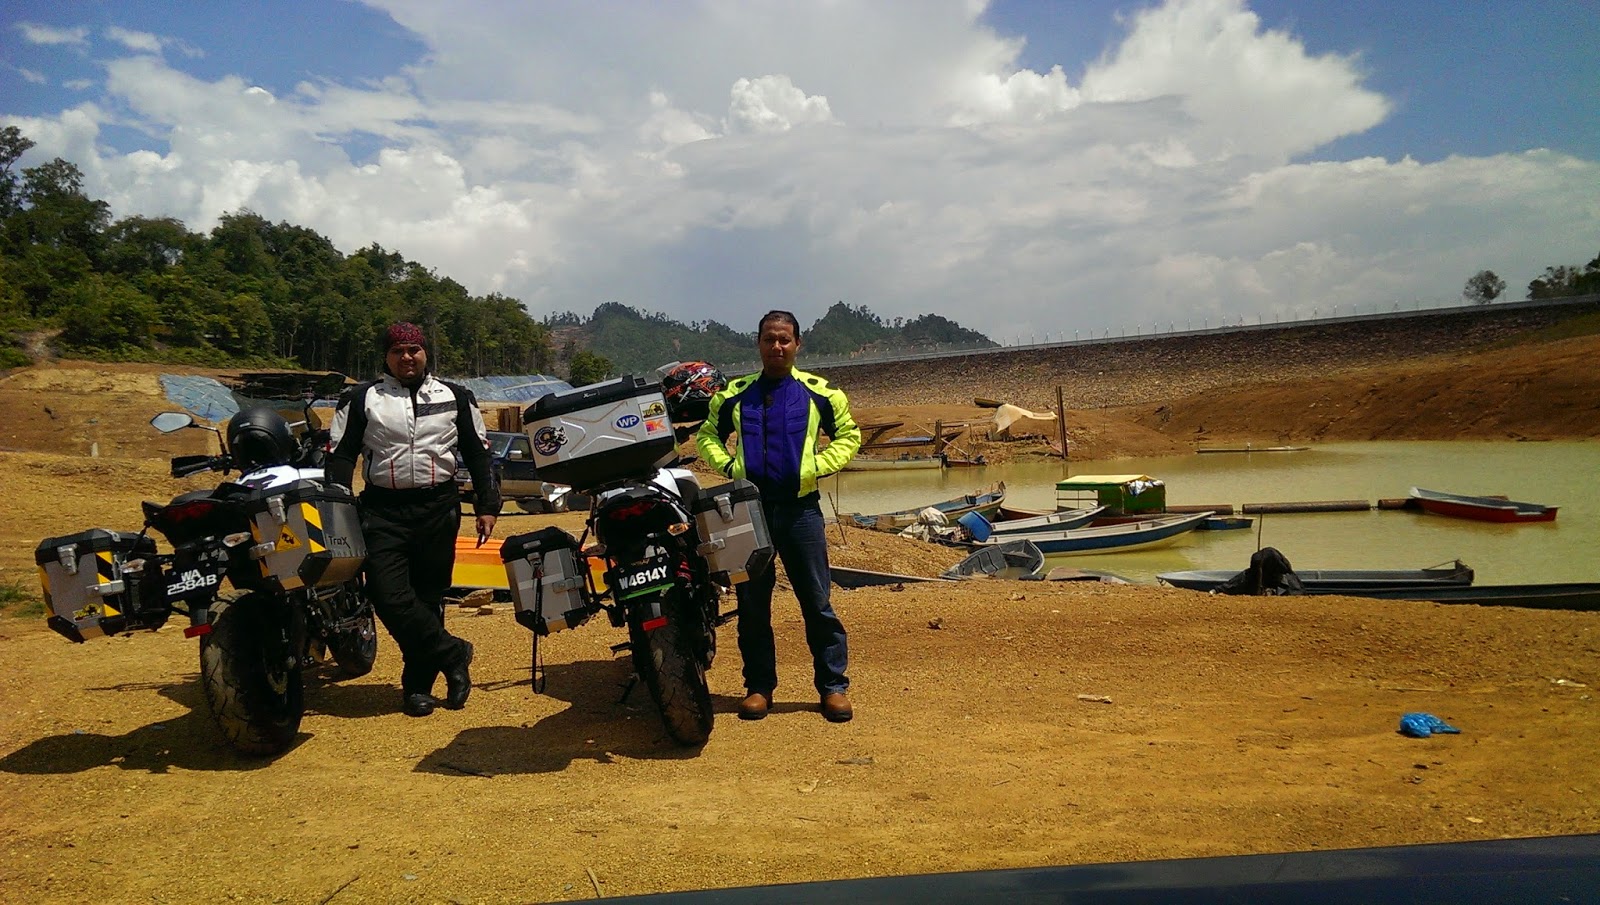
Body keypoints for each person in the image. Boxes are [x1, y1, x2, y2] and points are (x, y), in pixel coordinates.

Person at [327, 322, 500, 717]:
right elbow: (341, 456)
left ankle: (417, 688)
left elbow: (478, 454)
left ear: (425, 353)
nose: (406, 357)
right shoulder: (361, 398)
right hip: (382, 510)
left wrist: (487, 505)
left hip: (439, 508)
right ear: (386, 357)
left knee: (428, 598)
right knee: (386, 595)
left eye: (413, 350)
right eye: (397, 351)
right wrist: (337, 509)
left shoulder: (456, 396)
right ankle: (453, 652)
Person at [696, 311, 861, 722]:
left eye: (784, 339)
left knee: (817, 602)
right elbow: (707, 436)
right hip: (748, 514)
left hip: (801, 511)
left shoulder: (820, 393)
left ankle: (833, 687)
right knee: (753, 605)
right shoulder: (735, 394)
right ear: (758, 343)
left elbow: (849, 436)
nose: (777, 346)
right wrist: (730, 467)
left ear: (797, 344)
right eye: (769, 339)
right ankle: (759, 687)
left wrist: (816, 467)